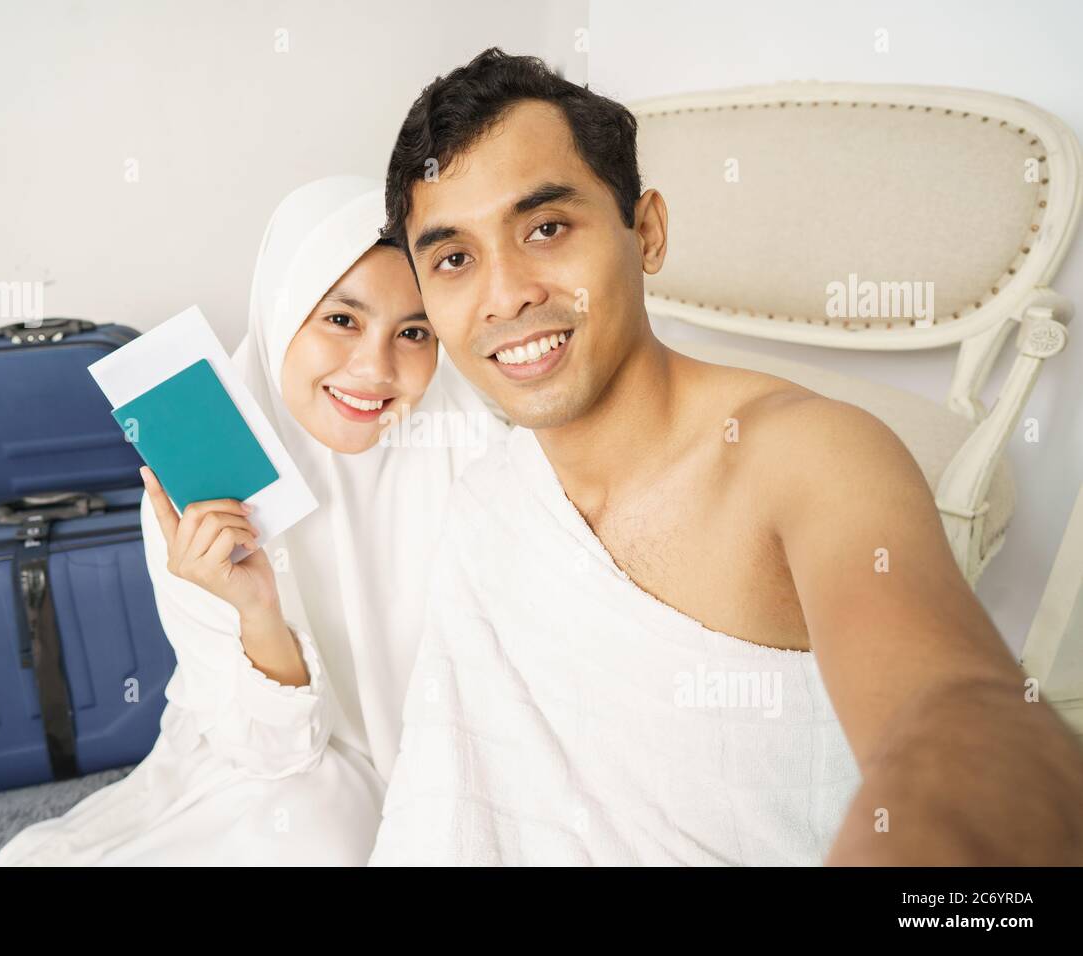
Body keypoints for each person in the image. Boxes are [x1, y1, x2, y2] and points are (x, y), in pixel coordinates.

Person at [367, 49, 1083, 865]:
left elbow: (953, 714)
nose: (505, 295)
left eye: (547, 228)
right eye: (455, 258)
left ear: (647, 232)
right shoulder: (490, 497)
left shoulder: (811, 457)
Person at [0, 175, 507, 865]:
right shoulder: (199, 488)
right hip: (282, 754)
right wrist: (257, 609)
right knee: (320, 835)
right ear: (281, 310)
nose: (376, 369)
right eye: (342, 319)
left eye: (414, 331)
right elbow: (276, 753)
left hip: (448, 737)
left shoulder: (470, 435)